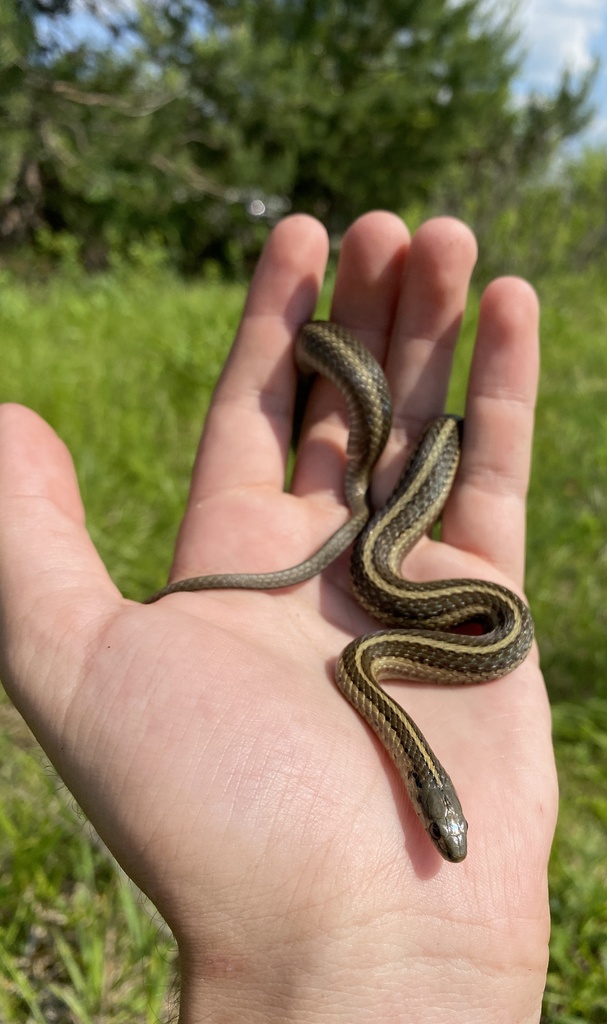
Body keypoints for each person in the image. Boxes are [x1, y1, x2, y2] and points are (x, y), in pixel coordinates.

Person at [0, 212, 557, 1022]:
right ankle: (362, 437)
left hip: (398, 564)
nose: (439, 841)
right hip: (381, 530)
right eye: (442, 830)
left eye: (441, 832)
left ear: (429, 792)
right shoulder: (364, 664)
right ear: (427, 788)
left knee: (399, 521)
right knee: (386, 520)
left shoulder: (384, 660)